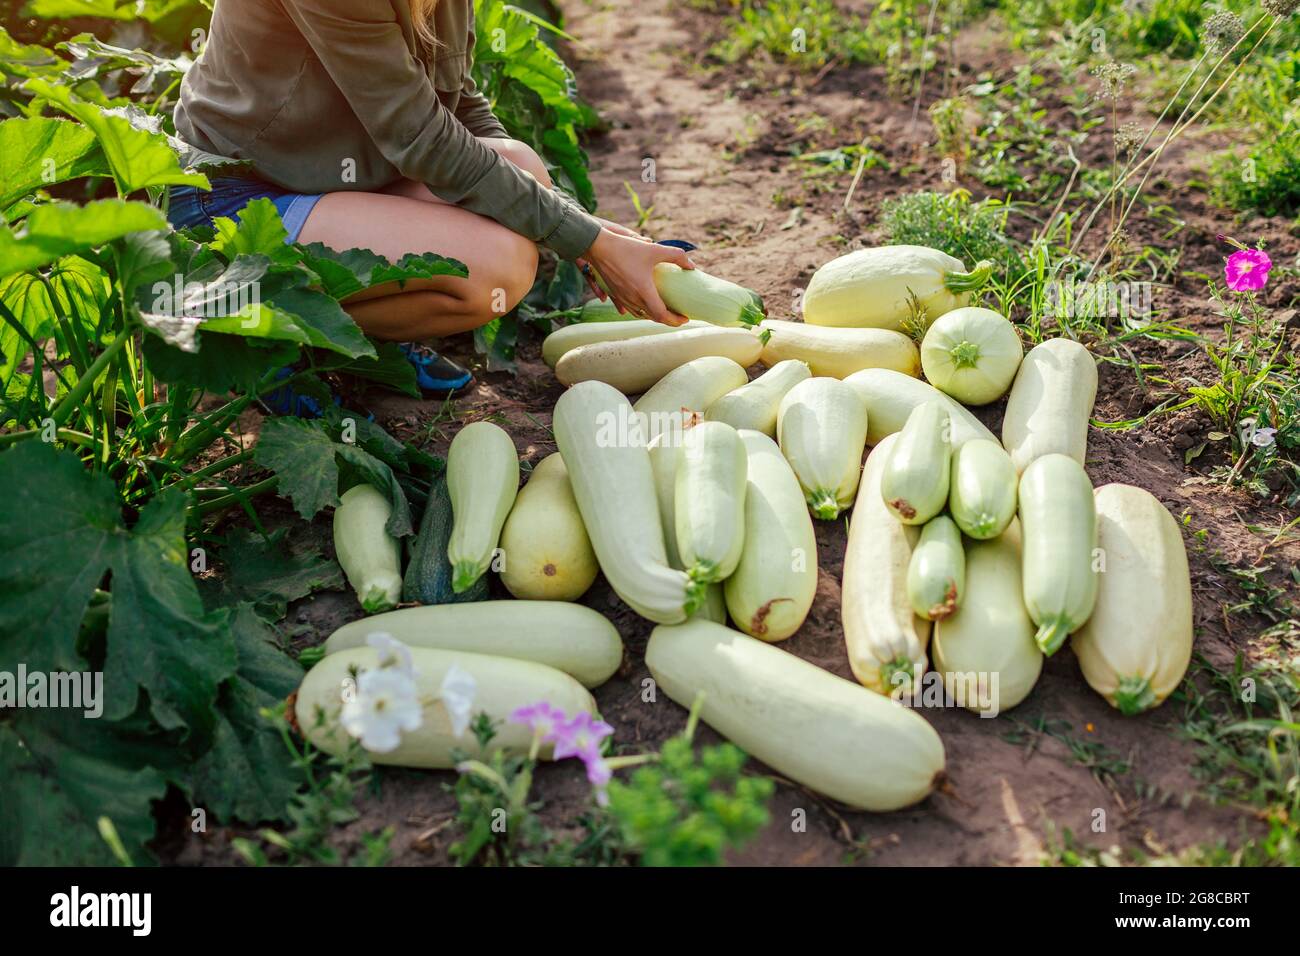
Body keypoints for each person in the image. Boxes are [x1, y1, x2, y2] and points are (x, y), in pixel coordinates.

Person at [167, 0, 691, 393]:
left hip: (329, 175)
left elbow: (458, 105)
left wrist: (581, 226)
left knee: (521, 164)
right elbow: (424, 140)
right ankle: (253, 333)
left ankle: (342, 344)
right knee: (497, 267)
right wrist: (588, 242)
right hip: (232, 197)